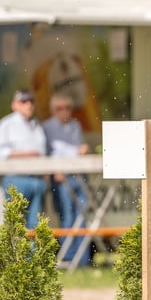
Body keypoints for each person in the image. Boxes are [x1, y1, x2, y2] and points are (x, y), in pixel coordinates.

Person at [42, 93, 91, 265]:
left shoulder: (75, 125)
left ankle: (83, 260)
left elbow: (78, 149)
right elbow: (46, 154)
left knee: (82, 217)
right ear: (52, 110)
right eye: (59, 108)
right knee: (67, 217)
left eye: (67, 108)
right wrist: (54, 169)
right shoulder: (47, 127)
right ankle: (69, 258)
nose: (64, 111)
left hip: (78, 175)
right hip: (62, 177)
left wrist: (83, 150)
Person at [0, 89, 48, 229]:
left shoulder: (36, 125)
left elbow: (42, 152)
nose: (29, 104)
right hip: (17, 179)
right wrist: (23, 154)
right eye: (24, 101)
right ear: (15, 105)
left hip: (37, 179)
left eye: (31, 101)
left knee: (36, 226)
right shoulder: (7, 124)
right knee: (15, 225)